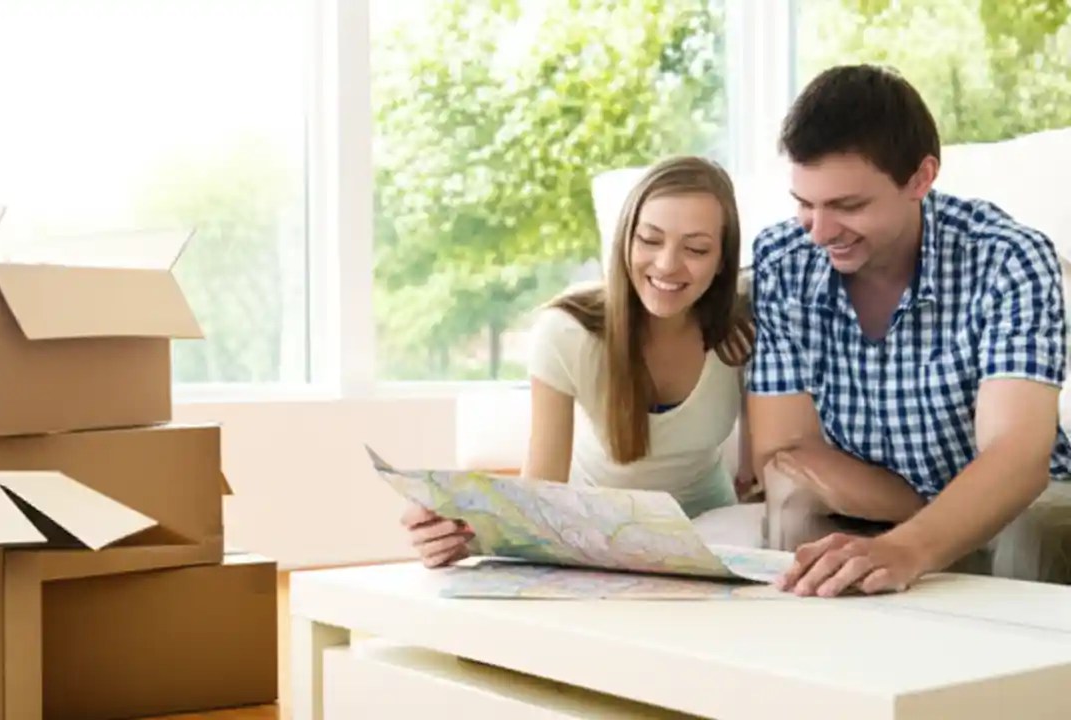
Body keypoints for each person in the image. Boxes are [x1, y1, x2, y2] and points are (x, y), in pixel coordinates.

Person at [747, 63, 1071, 597]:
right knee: (797, 501)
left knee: (1030, 533)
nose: (821, 233)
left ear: (921, 178)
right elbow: (785, 452)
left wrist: (910, 546)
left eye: (848, 205)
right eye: (805, 204)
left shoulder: (1008, 258)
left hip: (1020, 505)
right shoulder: (782, 261)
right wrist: (914, 516)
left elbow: (1017, 457)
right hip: (876, 500)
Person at [403, 155, 757, 568]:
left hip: (712, 537)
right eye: (650, 240)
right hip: (596, 539)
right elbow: (542, 489)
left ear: (721, 262)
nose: (666, 264)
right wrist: (464, 535)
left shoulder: (743, 329)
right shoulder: (568, 332)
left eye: (696, 249)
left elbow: (761, 474)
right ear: (625, 239)